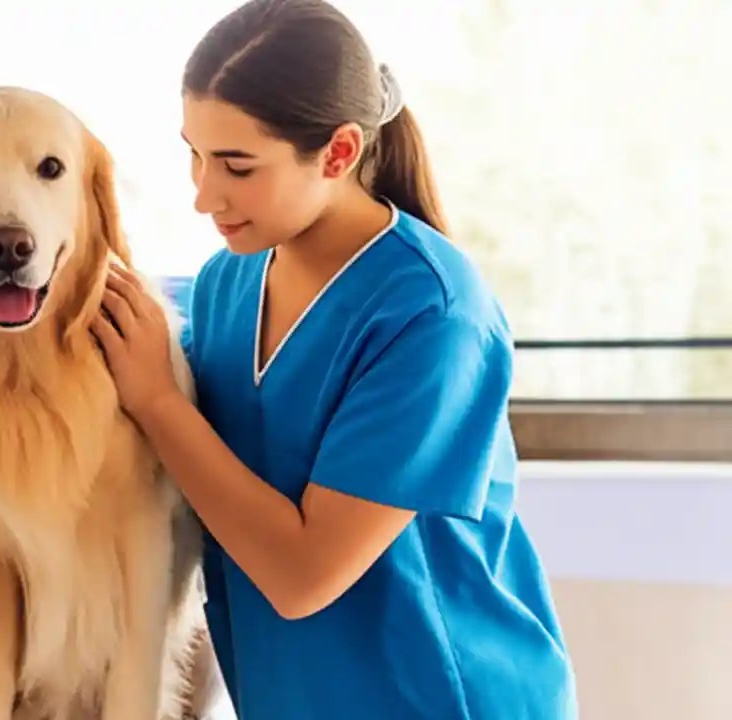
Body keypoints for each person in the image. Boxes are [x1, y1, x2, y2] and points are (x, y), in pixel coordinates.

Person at [90, 1, 578, 718]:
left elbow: (302, 574)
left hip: (444, 699)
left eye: (236, 165)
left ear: (340, 153)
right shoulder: (227, 286)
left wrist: (159, 403)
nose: (202, 194)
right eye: (193, 153)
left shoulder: (433, 316)